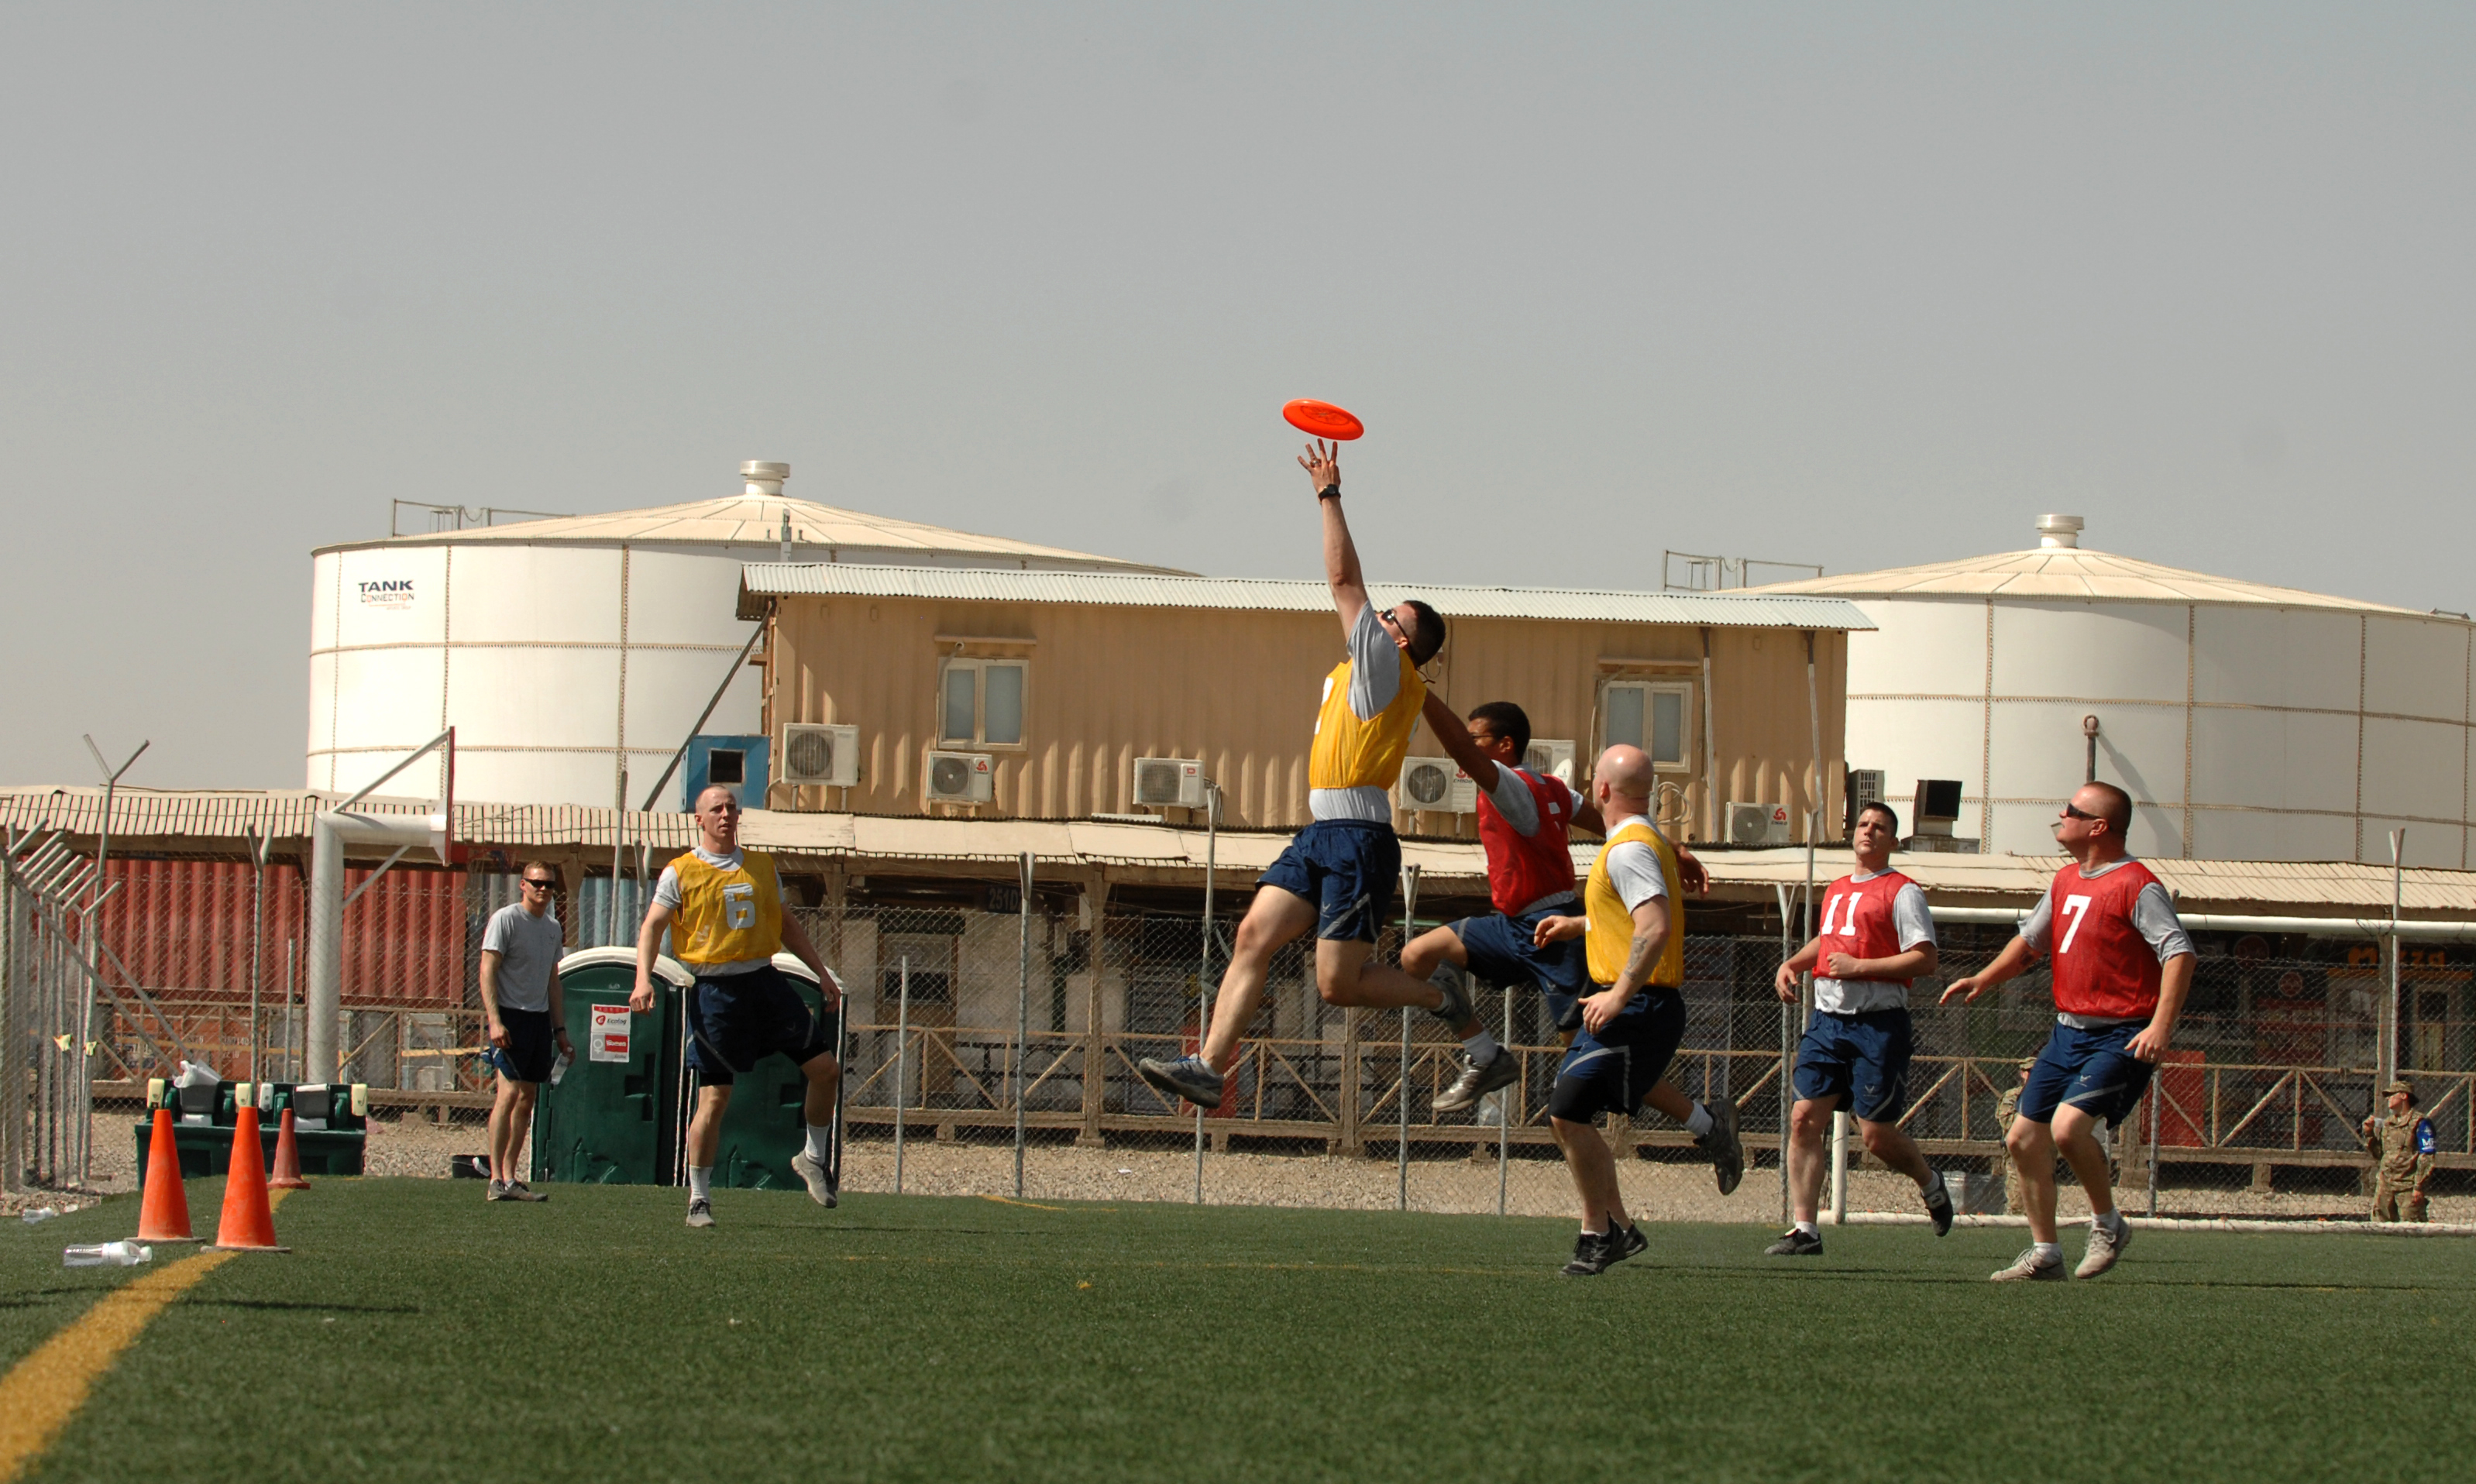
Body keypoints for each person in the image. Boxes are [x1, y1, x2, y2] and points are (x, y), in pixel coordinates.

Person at [1137, 439, 1455, 1111]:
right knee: (1253, 935)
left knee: (1337, 985)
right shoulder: (1360, 668)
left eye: (1392, 615)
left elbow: (1343, 582)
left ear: (1399, 639)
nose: (1380, 614)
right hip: (1322, 832)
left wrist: (1328, 494)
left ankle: (1439, 992)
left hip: (1359, 838)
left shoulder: (1385, 664)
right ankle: (1207, 1066)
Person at [1403, 696, 1741, 1195]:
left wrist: (1417, 687)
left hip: (1554, 932)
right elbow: (1607, 817)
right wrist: (1680, 850)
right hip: (1517, 925)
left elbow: (1458, 749)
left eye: (1479, 740)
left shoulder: (1509, 784)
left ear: (1504, 746)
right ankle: (1484, 1053)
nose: (1469, 751)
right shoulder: (1553, 789)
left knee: (1592, 1068)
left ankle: (1706, 1127)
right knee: (1416, 955)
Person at [1941, 781, 2195, 1282]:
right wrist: (1984, 977)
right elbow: (2030, 942)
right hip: (2067, 1033)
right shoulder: (2064, 881)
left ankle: (2108, 1225)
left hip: (2122, 1033)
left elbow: (2179, 952)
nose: (2062, 814)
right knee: (2022, 1138)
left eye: (2073, 811)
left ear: (2099, 827)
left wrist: (2161, 1026)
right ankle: (2045, 1252)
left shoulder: (2137, 884)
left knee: (2067, 1128)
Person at [633, 786, 844, 1228]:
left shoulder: (762, 867)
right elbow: (652, 926)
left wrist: (821, 972)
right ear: (699, 819)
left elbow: (786, 923)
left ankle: (812, 1158)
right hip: (715, 992)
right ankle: (699, 1198)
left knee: (826, 1070)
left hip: (765, 982)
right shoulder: (680, 872)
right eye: (716, 809)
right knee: (714, 1097)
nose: (726, 814)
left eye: (731, 807)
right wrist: (642, 980)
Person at [1526, 745, 1690, 1276]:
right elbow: (1626, 918)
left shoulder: (1628, 850)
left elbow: (1654, 926)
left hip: (1638, 1005)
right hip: (1637, 1000)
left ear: (1601, 790)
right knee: (1567, 1114)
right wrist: (1577, 926)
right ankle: (1612, 1227)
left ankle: (1602, 1232)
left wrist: (1618, 994)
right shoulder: (1644, 841)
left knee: (1567, 1111)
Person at [1763, 801, 1952, 1255]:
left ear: (1893, 841)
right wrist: (1792, 963)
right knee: (1804, 1118)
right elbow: (1828, 943)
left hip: (1878, 1025)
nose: (1868, 831)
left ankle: (1930, 1183)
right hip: (1827, 1022)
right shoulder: (1837, 888)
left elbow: (1925, 959)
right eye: (1863, 823)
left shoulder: (1902, 891)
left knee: (1875, 1136)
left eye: (1879, 827)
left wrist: (1860, 967)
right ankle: (1805, 1229)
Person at [479, 861, 570, 1202]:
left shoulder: (551, 928)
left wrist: (559, 1029)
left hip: (538, 1018)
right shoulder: (506, 919)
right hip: (511, 1016)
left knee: (527, 1098)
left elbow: (552, 980)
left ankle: (511, 1175)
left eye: (548, 884)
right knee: (508, 1093)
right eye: (536, 883)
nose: (543, 890)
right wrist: (495, 1019)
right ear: (523, 885)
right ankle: (495, 1178)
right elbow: (488, 968)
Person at [2362, 1079, 2435, 1223]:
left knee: (2412, 1227)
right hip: (2385, 1185)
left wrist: (2419, 1186)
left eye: (2391, 1094)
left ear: (2403, 1095)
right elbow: (2381, 1154)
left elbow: (2426, 1156)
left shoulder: (2421, 1123)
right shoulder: (2389, 1123)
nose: (2388, 1098)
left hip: (2407, 1186)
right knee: (2379, 1226)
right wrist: (2369, 1134)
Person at [1996, 1058, 2035, 1215]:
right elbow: (2007, 1121)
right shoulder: (2013, 1096)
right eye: (2028, 1071)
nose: (2032, 1075)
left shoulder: (2049, 1096)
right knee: (2017, 1201)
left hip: (2041, 1150)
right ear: (2022, 1074)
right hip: (2018, 1151)